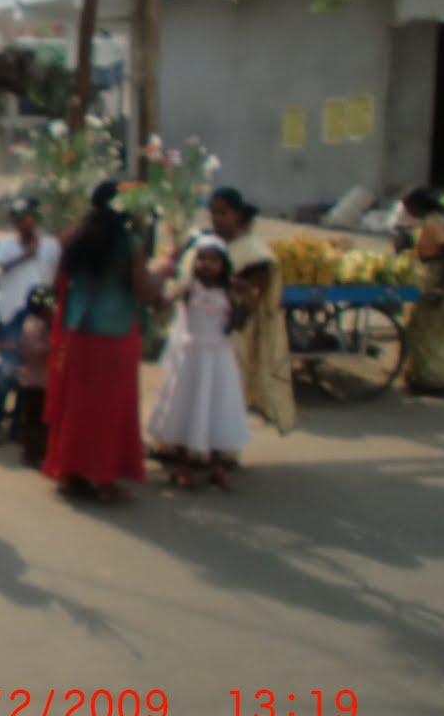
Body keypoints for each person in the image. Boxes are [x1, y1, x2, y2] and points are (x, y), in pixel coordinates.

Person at [43, 181, 163, 504]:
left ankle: (71, 473)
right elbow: (144, 290)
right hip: (115, 332)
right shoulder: (130, 242)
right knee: (110, 407)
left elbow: (56, 283)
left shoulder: (74, 236)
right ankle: (103, 477)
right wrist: (165, 270)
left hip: (78, 329)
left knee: (78, 402)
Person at [148, 236, 250, 490]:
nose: (207, 264)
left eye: (214, 259)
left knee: (216, 407)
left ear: (223, 264)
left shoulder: (229, 291)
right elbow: (163, 306)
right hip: (192, 356)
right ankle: (183, 464)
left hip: (218, 356)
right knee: (187, 404)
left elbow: (236, 324)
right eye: (203, 258)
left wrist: (246, 301)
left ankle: (215, 465)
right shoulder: (188, 289)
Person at [204, 187, 297, 432]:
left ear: (237, 214)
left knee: (228, 392)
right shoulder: (208, 243)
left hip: (235, 332)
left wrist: (224, 281)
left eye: (223, 213)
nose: (217, 219)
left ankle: (223, 452)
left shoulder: (254, 252)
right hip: (202, 330)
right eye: (213, 213)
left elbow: (255, 295)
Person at [0, 198, 62, 446]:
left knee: (33, 375)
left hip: (40, 317)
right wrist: (23, 257)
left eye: (28, 217)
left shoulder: (51, 247)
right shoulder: (6, 246)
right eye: (19, 218)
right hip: (14, 315)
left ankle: (20, 426)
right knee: (7, 371)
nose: (25, 223)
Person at [401, 187, 444, 394]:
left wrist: (440, 289)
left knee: (430, 331)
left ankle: (436, 381)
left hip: (438, 277)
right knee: (421, 329)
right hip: (435, 274)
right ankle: (421, 377)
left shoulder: (434, 222)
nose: (408, 212)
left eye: (409, 208)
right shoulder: (439, 220)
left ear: (418, 206)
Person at [15, 287, 53, 469]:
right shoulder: (33, 325)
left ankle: (39, 452)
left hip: (43, 381)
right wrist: (52, 346)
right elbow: (32, 350)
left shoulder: (43, 325)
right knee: (33, 420)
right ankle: (31, 453)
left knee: (41, 421)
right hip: (33, 382)